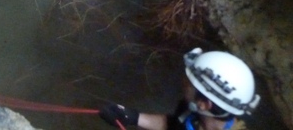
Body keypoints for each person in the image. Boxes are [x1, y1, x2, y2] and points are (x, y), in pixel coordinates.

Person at [99, 48, 260, 130]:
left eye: (190, 82)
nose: (184, 81)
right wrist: (133, 117)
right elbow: (174, 124)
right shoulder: (195, 113)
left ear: (204, 104)